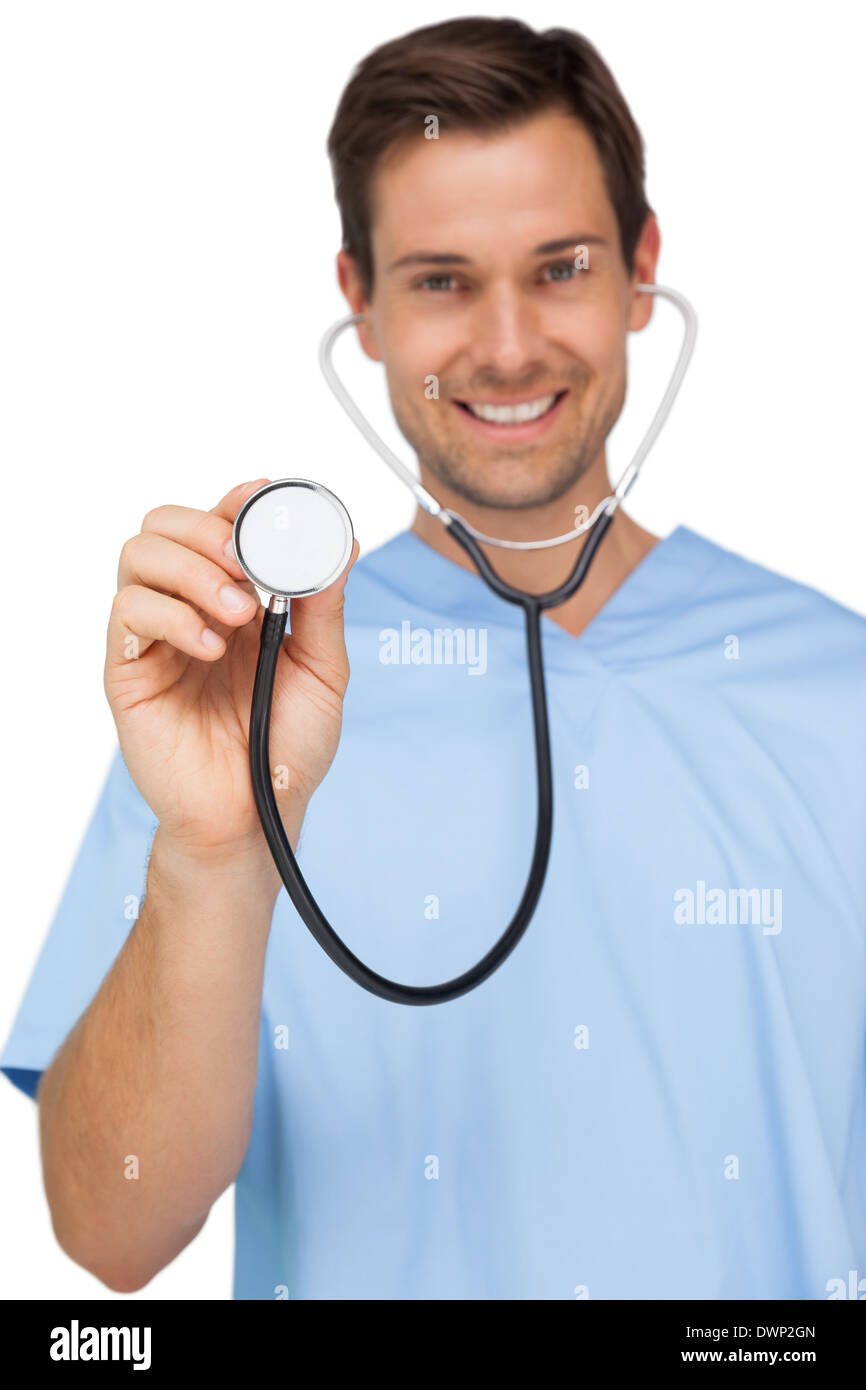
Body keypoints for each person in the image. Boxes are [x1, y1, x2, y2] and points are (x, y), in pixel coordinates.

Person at [4, 16, 866, 1302]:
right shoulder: (237, 694)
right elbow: (105, 1232)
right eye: (442, 280)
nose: (508, 347)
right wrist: (213, 852)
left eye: (560, 266)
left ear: (641, 269)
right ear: (360, 300)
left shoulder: (838, 688)